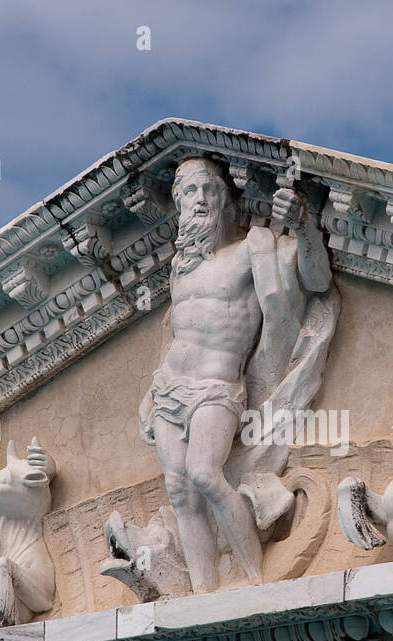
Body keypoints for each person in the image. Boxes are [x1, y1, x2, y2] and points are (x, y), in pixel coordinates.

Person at [138, 156, 332, 592]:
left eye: (209, 189)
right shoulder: (180, 269)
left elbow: (316, 283)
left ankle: (252, 579)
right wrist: (151, 391)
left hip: (217, 386)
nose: (200, 199)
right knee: (179, 489)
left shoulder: (253, 246)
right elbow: (178, 335)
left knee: (205, 475)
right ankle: (204, 593)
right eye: (189, 192)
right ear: (179, 204)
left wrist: (301, 228)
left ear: (226, 200)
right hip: (168, 388)